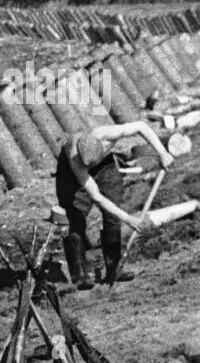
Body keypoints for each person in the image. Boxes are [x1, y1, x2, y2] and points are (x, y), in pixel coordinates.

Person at [56, 122, 174, 288]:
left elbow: (141, 126)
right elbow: (96, 197)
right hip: (71, 173)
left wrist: (162, 153)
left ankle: (114, 268)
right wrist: (129, 219)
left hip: (106, 166)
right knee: (76, 215)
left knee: (112, 212)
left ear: (103, 147)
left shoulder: (107, 133)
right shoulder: (75, 158)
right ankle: (79, 275)